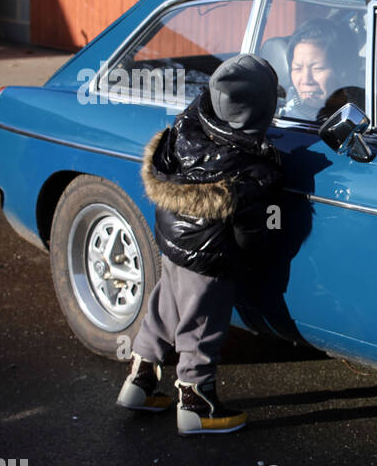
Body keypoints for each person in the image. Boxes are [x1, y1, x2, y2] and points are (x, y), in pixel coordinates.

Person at [116, 54, 283, 435]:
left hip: (174, 241)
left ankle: (139, 384)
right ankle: (197, 403)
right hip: (210, 255)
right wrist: (253, 255)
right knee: (202, 323)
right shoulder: (251, 166)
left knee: (166, 305)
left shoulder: (189, 125)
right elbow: (253, 231)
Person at [280, 18, 357, 121]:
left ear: (342, 71)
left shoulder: (363, 110)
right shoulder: (282, 119)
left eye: (317, 69)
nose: (306, 80)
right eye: (297, 68)